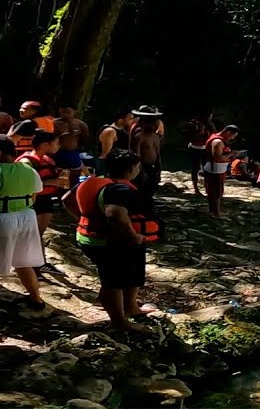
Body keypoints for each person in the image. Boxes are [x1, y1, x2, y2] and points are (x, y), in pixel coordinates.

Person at [64, 149, 159, 333]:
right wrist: (133, 235)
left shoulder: (94, 181)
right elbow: (115, 214)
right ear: (131, 169)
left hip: (90, 237)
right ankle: (119, 323)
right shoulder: (119, 189)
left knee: (131, 272)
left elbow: (66, 199)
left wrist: (84, 219)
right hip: (108, 242)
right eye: (138, 166)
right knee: (113, 282)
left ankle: (131, 307)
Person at [0, 137, 47, 313]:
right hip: (27, 217)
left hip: (4, 218)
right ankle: (36, 299)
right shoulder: (28, 169)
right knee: (23, 262)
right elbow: (34, 195)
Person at [18, 130, 66, 240]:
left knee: (39, 234)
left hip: (47, 199)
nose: (59, 146)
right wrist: (49, 182)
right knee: (29, 235)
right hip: (33, 200)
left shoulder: (48, 160)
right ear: (45, 145)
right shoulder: (26, 161)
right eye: (56, 143)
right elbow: (23, 185)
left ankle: (40, 255)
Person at [202, 125, 240, 219]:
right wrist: (232, 153)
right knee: (215, 192)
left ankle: (214, 211)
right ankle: (215, 213)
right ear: (228, 132)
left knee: (217, 192)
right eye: (232, 136)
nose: (232, 138)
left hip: (219, 170)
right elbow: (217, 158)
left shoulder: (220, 140)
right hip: (214, 170)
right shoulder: (217, 142)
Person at [129, 107, 164, 208]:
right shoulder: (139, 136)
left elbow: (158, 154)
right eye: (152, 124)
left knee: (151, 189)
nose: (154, 126)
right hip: (142, 167)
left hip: (152, 167)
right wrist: (141, 171)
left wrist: (159, 169)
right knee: (141, 190)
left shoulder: (156, 137)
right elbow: (136, 155)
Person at [52, 105, 89, 181]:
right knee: (57, 175)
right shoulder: (54, 123)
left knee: (74, 177)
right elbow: (48, 138)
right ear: (60, 111)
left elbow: (85, 140)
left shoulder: (81, 124)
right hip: (57, 153)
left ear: (74, 111)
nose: (66, 114)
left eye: (68, 112)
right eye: (64, 112)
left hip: (73, 153)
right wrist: (62, 135)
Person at [184, 115, 213, 195]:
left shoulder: (195, 124)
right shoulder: (196, 125)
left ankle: (201, 188)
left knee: (199, 168)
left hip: (198, 148)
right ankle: (200, 188)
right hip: (199, 148)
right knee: (200, 168)